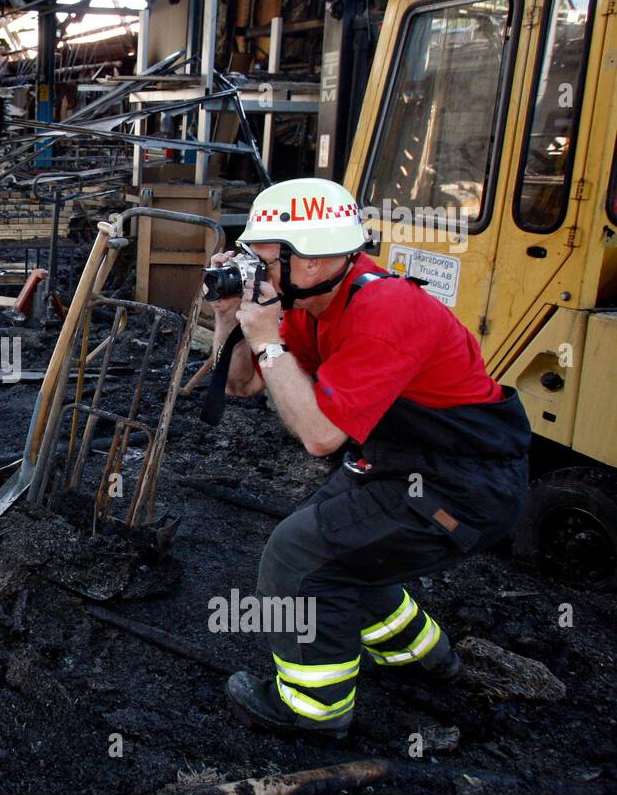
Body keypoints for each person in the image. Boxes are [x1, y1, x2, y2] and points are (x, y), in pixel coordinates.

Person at [210, 177, 531, 736]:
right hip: (401, 462)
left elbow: (319, 437)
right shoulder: (312, 302)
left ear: (313, 261)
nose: (253, 270)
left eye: (262, 259)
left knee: (297, 558)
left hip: (464, 486)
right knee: (343, 545)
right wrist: (230, 317)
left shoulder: (386, 309)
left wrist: (267, 338)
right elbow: (241, 387)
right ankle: (423, 658)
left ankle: (314, 710)